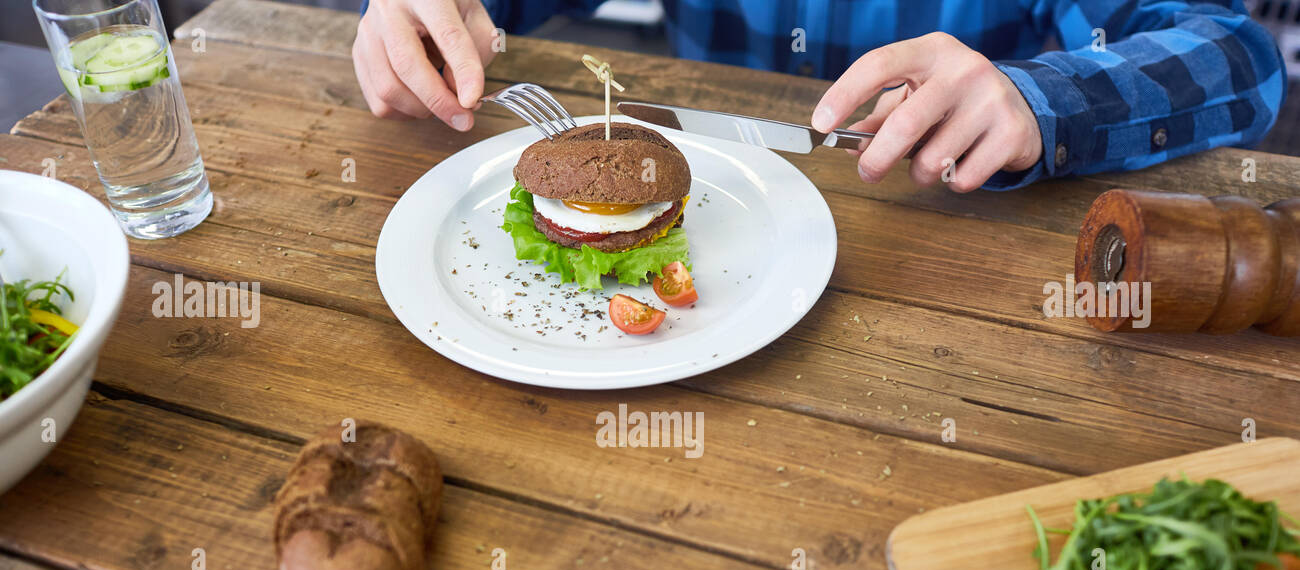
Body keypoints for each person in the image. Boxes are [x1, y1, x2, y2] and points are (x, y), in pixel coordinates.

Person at [351, 1, 1284, 192]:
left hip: (934, 231)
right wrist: (426, 15)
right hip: (716, 184)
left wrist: (1038, 99)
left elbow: (1237, 55)